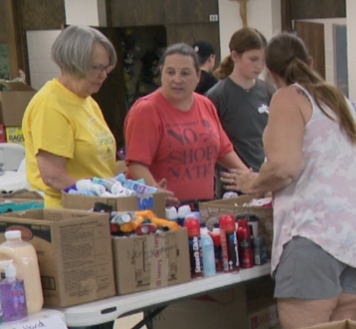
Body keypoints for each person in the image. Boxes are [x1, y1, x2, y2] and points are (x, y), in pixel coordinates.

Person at [222, 33, 356, 329]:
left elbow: (284, 168)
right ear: (310, 62)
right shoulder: (336, 99)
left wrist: (252, 183)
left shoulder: (288, 97)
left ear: (270, 71)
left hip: (317, 237)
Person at [124, 43, 250, 204]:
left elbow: (224, 151)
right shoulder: (146, 110)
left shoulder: (206, 104)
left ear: (198, 76)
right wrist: (155, 191)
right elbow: (136, 164)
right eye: (170, 72)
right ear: (161, 73)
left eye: (185, 73)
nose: (177, 80)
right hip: (163, 210)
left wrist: (251, 179)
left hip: (204, 208)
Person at [22, 26, 117, 208]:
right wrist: (97, 194)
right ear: (72, 64)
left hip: (97, 209)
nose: (103, 75)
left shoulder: (87, 101)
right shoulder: (51, 105)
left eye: (106, 68)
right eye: (96, 68)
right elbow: (53, 176)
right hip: (69, 213)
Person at [207, 28, 270, 171]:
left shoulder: (268, 91)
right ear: (235, 56)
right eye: (253, 59)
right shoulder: (217, 96)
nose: (259, 66)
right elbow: (212, 142)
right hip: (231, 177)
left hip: (263, 175)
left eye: (263, 60)